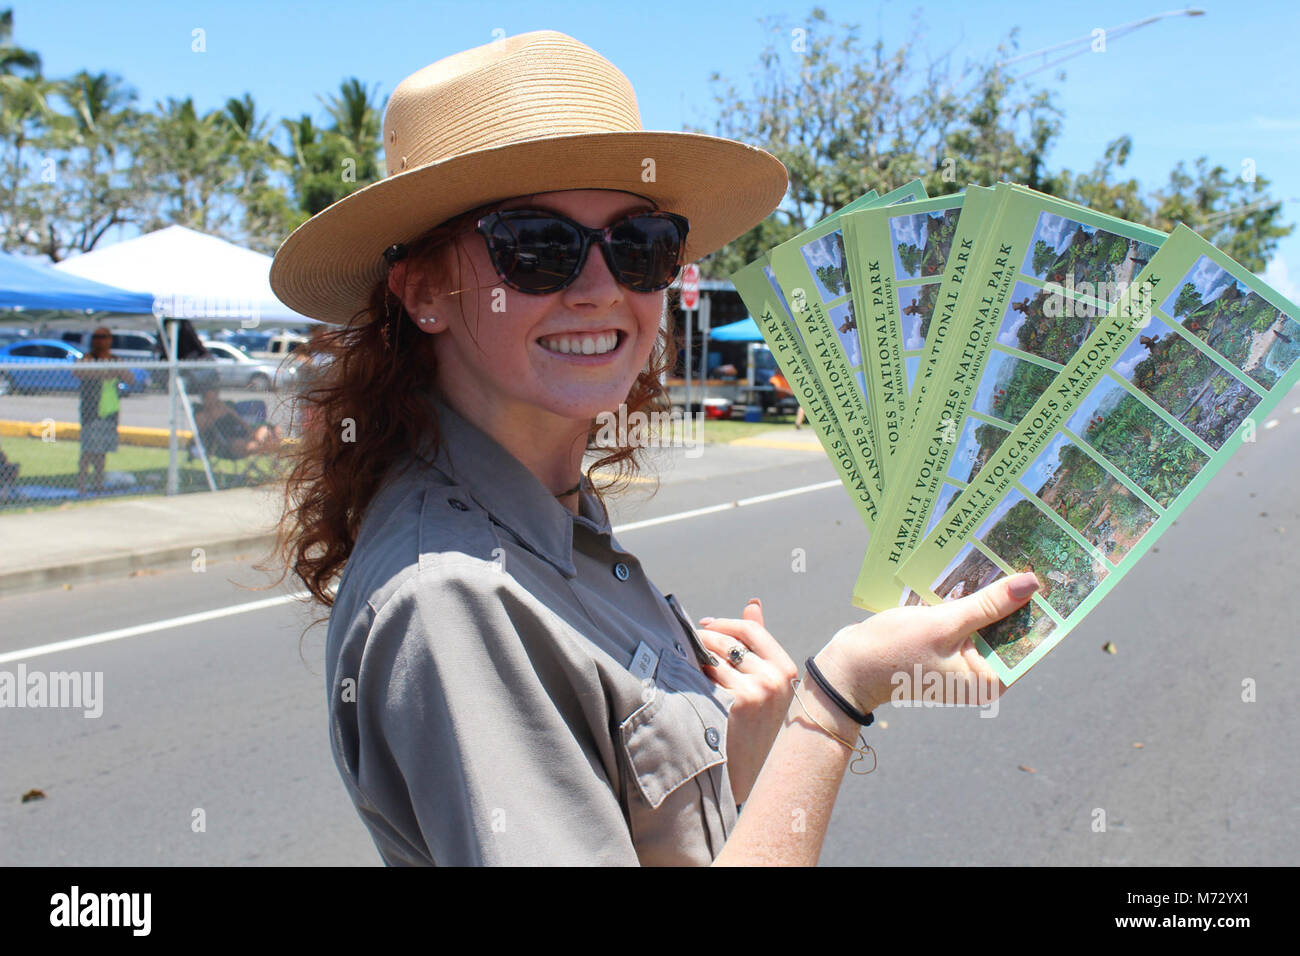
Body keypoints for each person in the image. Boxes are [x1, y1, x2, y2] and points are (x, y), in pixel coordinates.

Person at [266, 30, 1041, 866]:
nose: (601, 289)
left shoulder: (551, 514)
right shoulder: (454, 596)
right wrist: (836, 700)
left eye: (640, 246)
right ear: (424, 292)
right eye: (536, 247)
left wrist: (741, 774)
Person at [72, 326, 132, 495]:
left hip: (110, 411)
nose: (101, 340)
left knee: (102, 451)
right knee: (88, 450)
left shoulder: (114, 359)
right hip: (92, 411)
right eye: (97, 337)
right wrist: (102, 374)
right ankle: (82, 485)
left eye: (104, 337)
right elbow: (78, 372)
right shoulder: (88, 358)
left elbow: (130, 378)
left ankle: (98, 483)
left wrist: (118, 371)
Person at [193, 386, 283, 459]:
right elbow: (202, 430)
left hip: (241, 433)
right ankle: (268, 448)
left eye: (215, 397)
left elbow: (240, 420)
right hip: (228, 441)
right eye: (210, 398)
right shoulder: (201, 414)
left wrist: (249, 430)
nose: (213, 400)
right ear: (204, 399)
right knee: (249, 445)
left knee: (266, 429)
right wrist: (212, 415)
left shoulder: (223, 407)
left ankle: (267, 446)